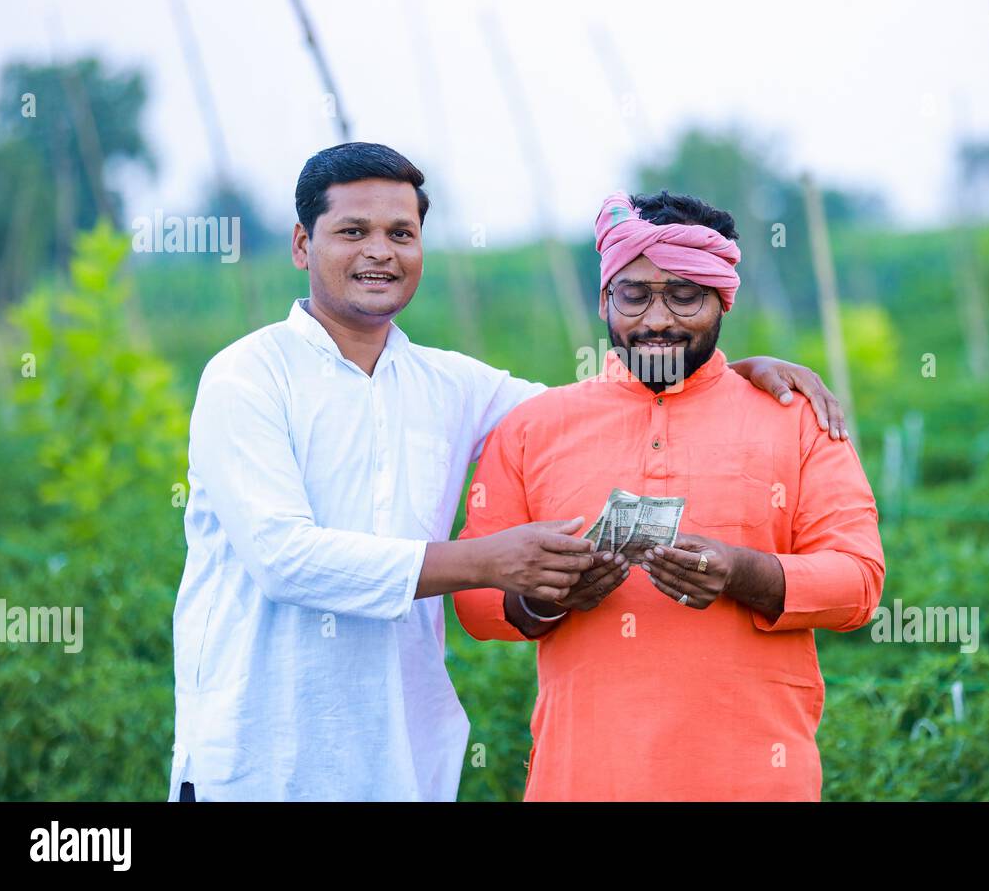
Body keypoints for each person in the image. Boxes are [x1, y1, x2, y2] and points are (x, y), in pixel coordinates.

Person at [169, 143, 849, 801]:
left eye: (401, 232)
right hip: (261, 748)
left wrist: (735, 376)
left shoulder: (453, 385)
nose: (380, 250)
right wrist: (486, 563)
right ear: (300, 245)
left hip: (400, 755)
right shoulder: (248, 377)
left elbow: (609, 404)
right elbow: (284, 559)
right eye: (353, 230)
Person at [453, 189, 886, 801]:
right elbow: (475, 600)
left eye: (685, 295)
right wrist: (549, 597)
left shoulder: (795, 417)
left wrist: (742, 573)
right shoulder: (533, 426)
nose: (658, 319)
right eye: (635, 295)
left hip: (758, 780)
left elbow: (859, 583)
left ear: (722, 301)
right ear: (605, 298)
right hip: (583, 780)